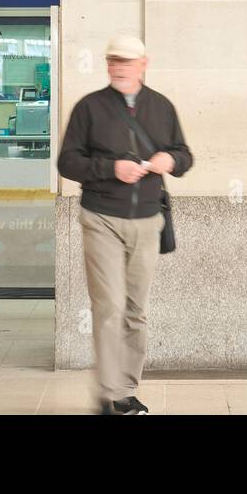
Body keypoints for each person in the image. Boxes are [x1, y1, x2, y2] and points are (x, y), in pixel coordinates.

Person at [57, 33, 194, 414]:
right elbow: (67, 162)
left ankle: (126, 389)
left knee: (136, 309)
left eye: (126, 61)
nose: (118, 67)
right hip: (101, 217)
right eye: (112, 60)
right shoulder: (90, 107)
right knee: (109, 306)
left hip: (147, 220)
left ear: (143, 64)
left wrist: (171, 161)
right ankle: (112, 393)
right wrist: (109, 169)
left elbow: (185, 156)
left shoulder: (162, 107)